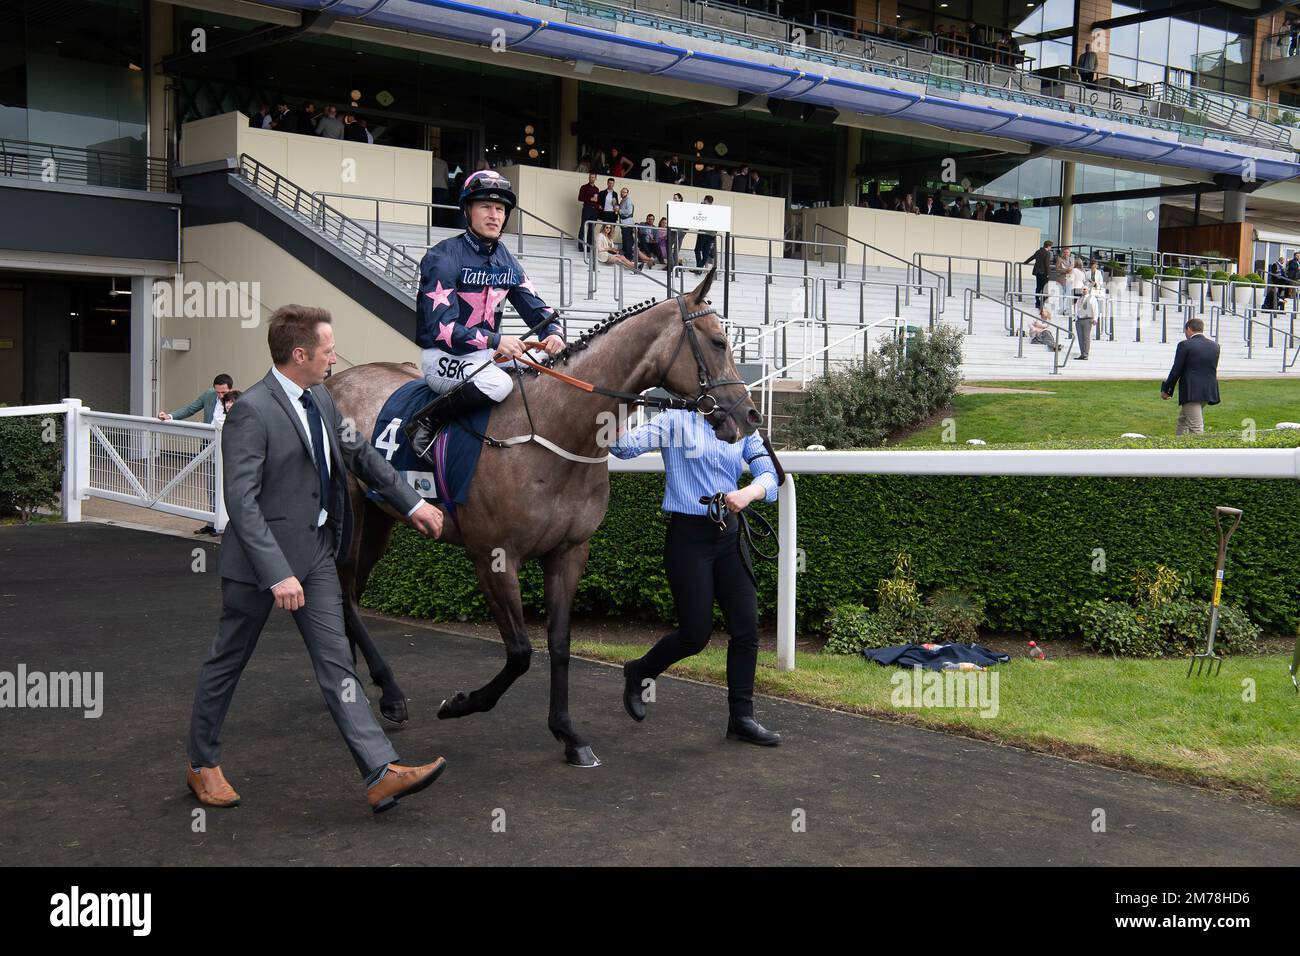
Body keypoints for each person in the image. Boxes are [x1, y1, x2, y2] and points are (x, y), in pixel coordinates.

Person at [185, 305, 447, 814]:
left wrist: (411, 503)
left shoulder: (321, 399)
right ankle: (201, 763)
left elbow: (362, 456)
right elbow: (241, 502)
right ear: (299, 353)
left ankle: (379, 770)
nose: (334, 356)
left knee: (336, 666)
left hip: (319, 557)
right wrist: (277, 572)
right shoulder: (251, 411)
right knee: (227, 663)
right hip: (260, 569)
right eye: (328, 348)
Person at [611, 408, 782, 746]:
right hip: (688, 539)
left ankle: (741, 719)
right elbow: (623, 448)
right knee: (695, 635)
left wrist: (748, 494)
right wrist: (624, 405)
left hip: (729, 535)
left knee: (746, 628)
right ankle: (640, 671)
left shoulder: (740, 422)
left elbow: (770, 475)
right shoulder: (672, 421)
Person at [403, 171, 566, 455]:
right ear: (467, 210)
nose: (494, 215)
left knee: (548, 363)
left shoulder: (507, 261)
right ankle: (426, 421)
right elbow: (440, 329)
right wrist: (494, 341)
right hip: (443, 356)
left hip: (484, 355)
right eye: (485, 206)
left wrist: (553, 333)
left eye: (500, 209)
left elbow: (539, 310)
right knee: (498, 383)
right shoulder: (442, 256)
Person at [1161, 318, 1220, 435]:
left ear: (1188, 329)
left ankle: (1197, 452)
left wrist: (1167, 390)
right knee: (1183, 420)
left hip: (1191, 390)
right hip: (1208, 390)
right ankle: (1178, 447)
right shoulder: (1215, 346)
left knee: (1196, 427)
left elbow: (1176, 370)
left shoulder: (1185, 345)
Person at [1075, 281, 1101, 360]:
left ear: (1088, 290)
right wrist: (1076, 318)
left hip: (1087, 319)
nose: (1084, 291)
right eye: (1083, 289)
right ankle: (1082, 353)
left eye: (1085, 289)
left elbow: (1095, 309)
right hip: (1079, 319)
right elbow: (1076, 309)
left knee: (1086, 337)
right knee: (1080, 337)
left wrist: (1095, 318)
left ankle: (1086, 354)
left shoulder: (1092, 298)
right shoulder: (1079, 299)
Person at [1025, 240, 1053, 306]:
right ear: (1048, 246)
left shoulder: (1038, 251)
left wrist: (1025, 262)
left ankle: (1037, 301)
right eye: (1050, 247)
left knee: (1038, 287)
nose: (1050, 248)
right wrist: (1048, 274)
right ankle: (1042, 302)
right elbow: (1047, 264)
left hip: (1037, 272)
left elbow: (1032, 257)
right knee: (1044, 287)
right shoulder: (1047, 253)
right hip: (1044, 273)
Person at [577, 172, 600, 252]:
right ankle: (580, 246)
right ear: (588, 178)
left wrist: (598, 206)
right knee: (583, 226)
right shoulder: (584, 187)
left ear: (595, 178)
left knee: (591, 228)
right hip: (587, 208)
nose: (592, 179)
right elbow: (580, 198)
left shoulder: (597, 189)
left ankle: (589, 246)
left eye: (593, 177)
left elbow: (597, 200)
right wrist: (590, 199)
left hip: (594, 210)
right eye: (590, 177)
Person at [616, 186, 639, 264]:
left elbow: (629, 211)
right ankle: (627, 256)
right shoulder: (623, 200)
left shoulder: (628, 200)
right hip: (624, 223)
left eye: (624, 192)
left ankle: (629, 258)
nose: (623, 193)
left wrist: (619, 210)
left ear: (627, 193)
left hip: (627, 224)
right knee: (625, 240)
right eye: (622, 192)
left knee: (627, 241)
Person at [694, 195, 718, 269]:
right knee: (706, 252)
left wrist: (701, 204)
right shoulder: (715, 210)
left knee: (697, 250)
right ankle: (700, 268)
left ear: (705, 200)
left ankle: (699, 267)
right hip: (712, 234)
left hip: (704, 232)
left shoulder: (703, 208)